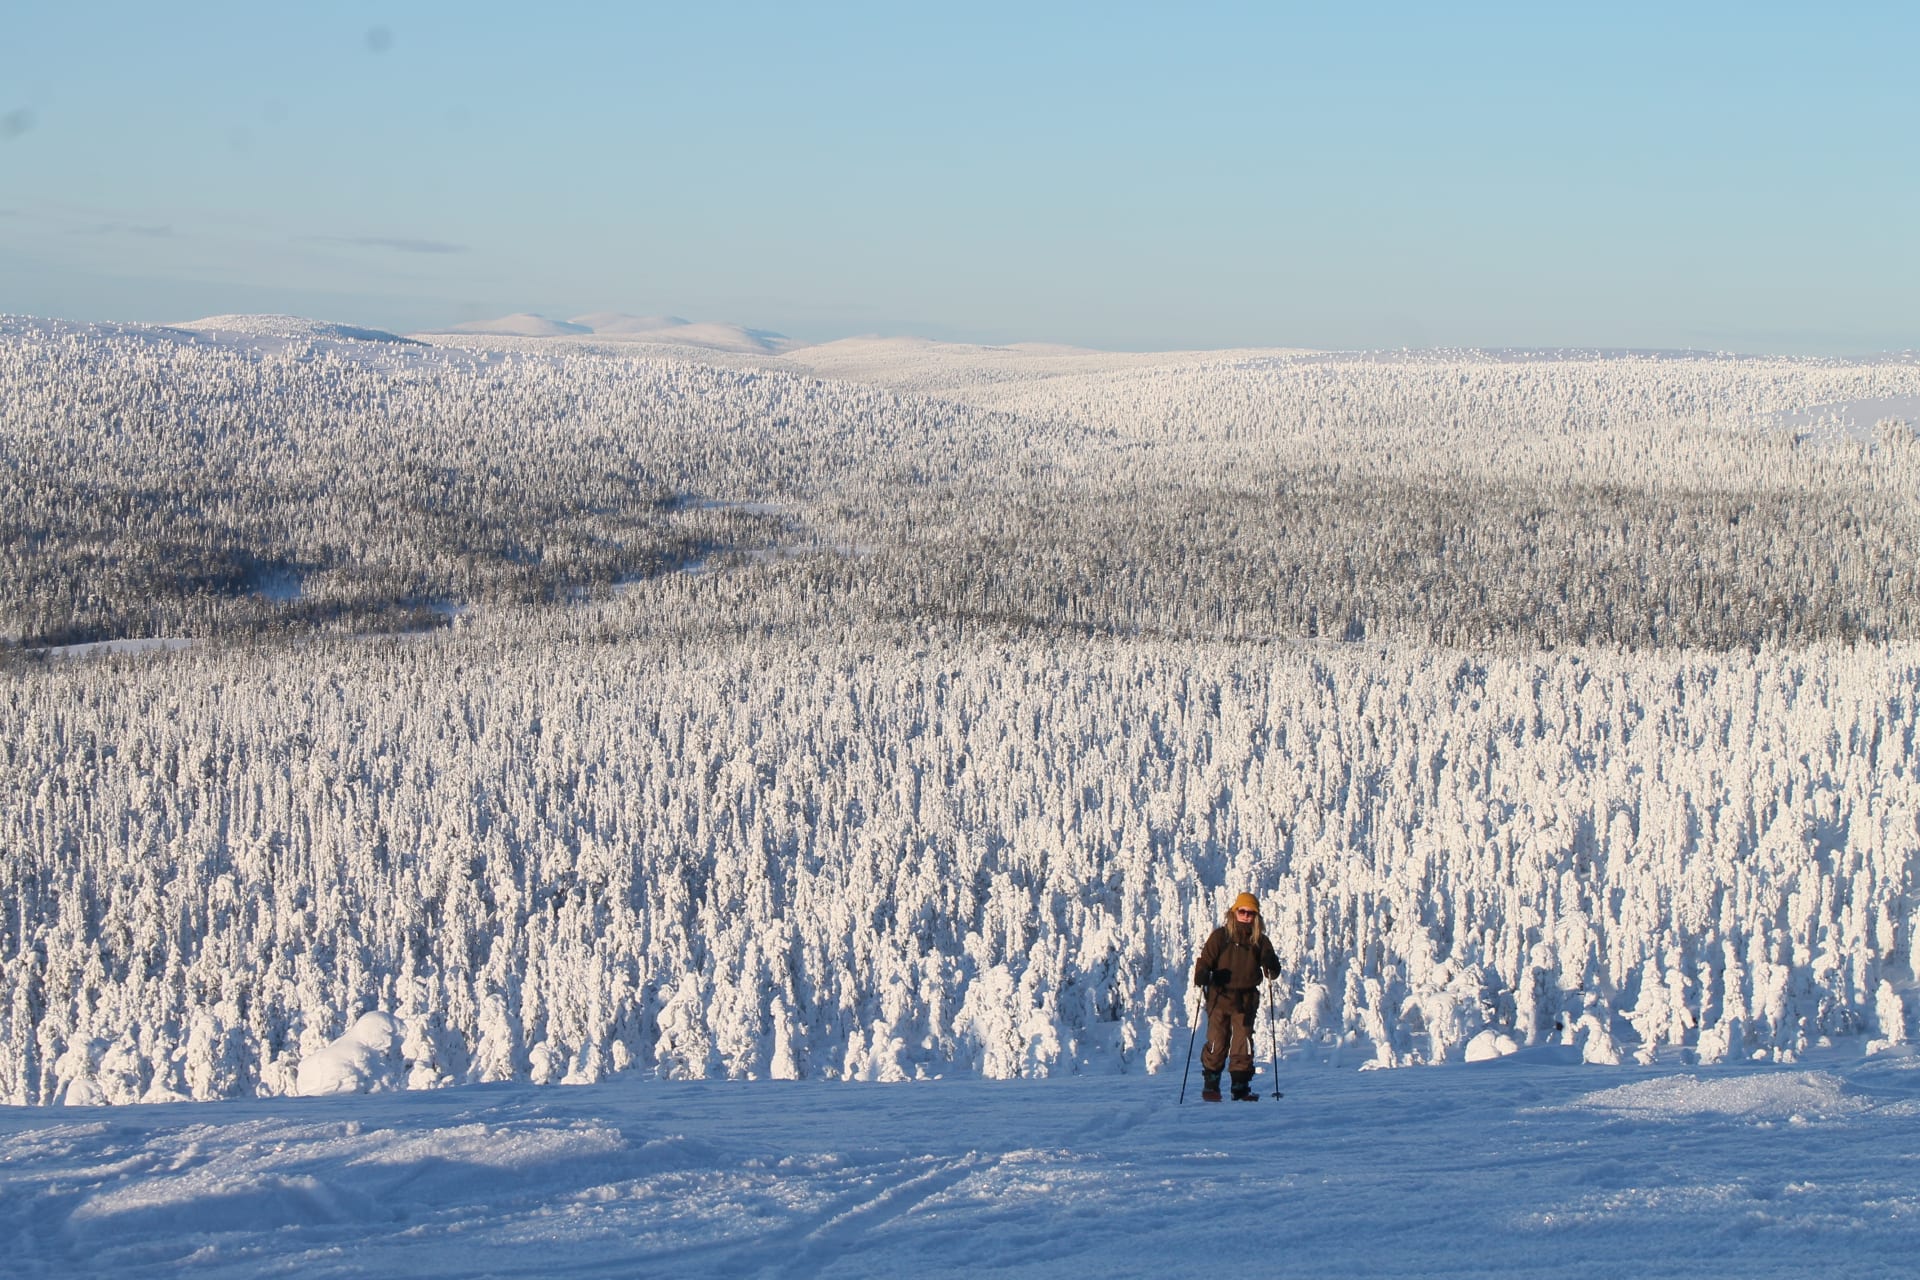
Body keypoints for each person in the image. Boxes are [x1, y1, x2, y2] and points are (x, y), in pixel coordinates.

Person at [1192, 891, 1282, 1101]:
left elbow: (1273, 971)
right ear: (1234, 912)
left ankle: (1240, 1088)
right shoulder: (1220, 937)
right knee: (1217, 1041)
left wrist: (1270, 965)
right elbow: (1205, 961)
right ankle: (1211, 1086)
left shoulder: (1260, 941)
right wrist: (1202, 974)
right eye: (1242, 911)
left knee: (1243, 1045)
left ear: (1256, 916)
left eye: (1251, 913)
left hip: (1246, 1000)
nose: (1246, 916)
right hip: (1219, 997)